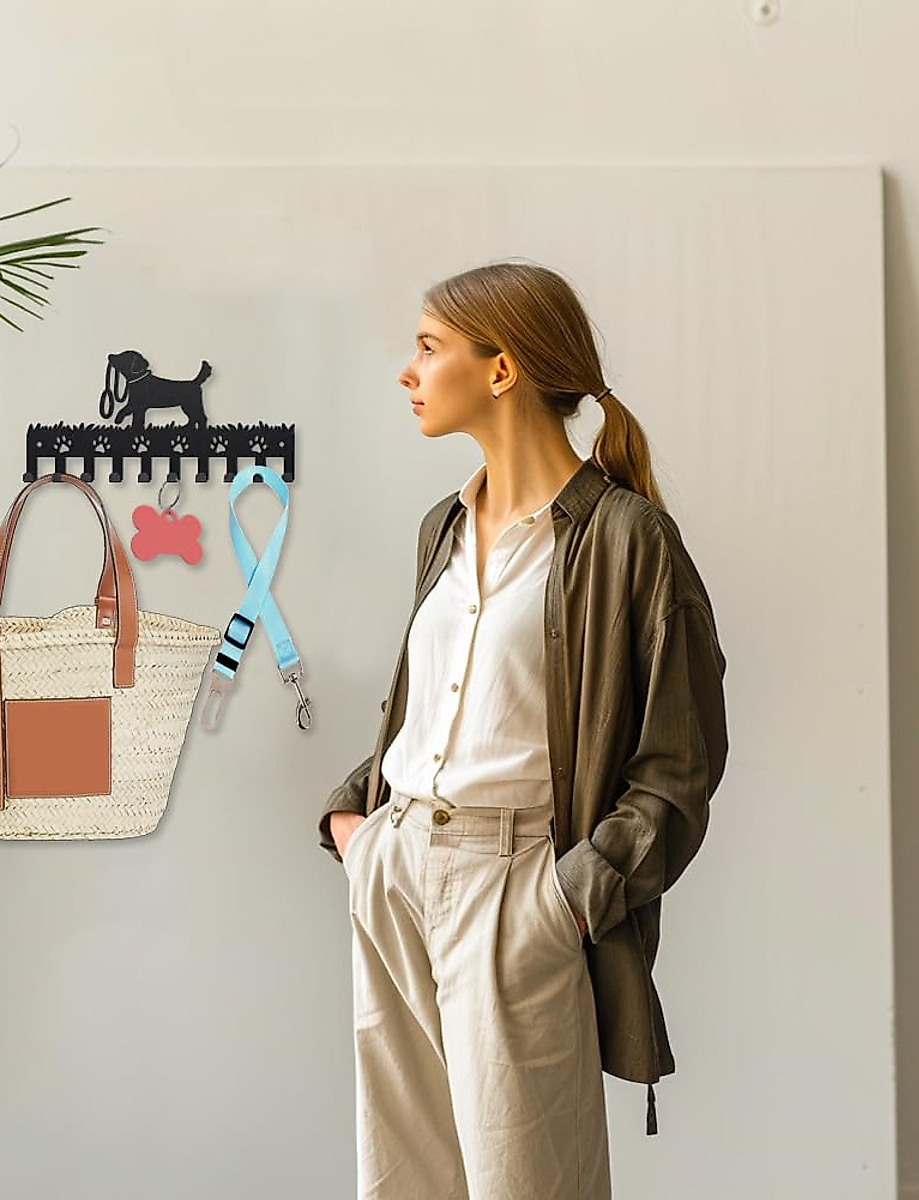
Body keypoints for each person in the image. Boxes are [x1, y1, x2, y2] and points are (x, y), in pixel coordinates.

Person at [316, 260, 729, 1200]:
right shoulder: (443, 527)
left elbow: (680, 764)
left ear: (501, 369)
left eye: (429, 347)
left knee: (527, 1184)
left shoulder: (627, 539)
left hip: (516, 892)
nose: (408, 371)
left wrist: (572, 898)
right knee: (404, 1182)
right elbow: (438, 709)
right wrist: (358, 824)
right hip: (395, 870)